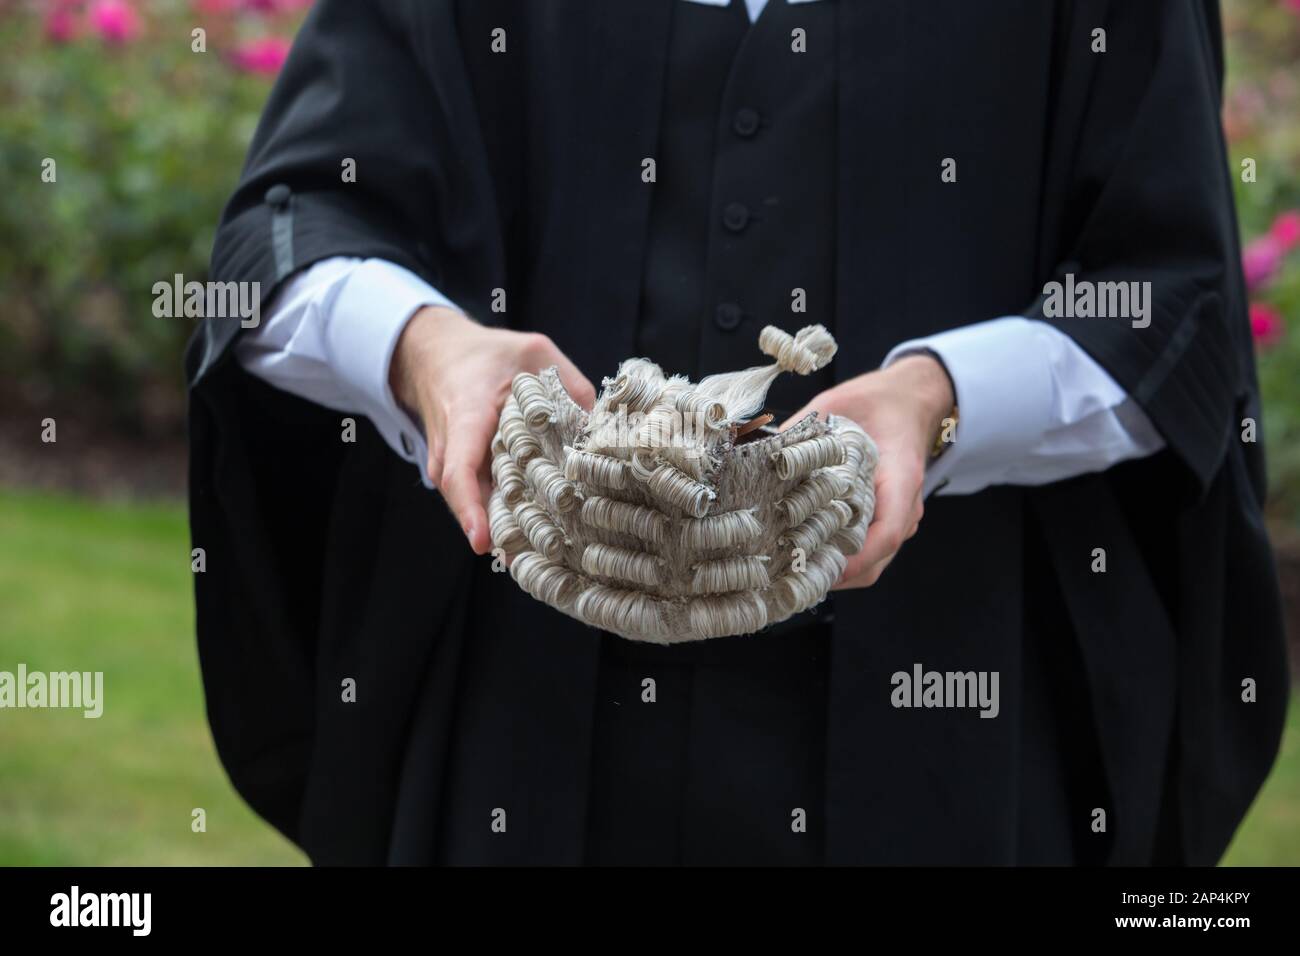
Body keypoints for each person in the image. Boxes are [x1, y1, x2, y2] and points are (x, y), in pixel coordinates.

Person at [188, 0, 1288, 865]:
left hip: (945, 730)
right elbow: (282, 239)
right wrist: (427, 351)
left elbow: (1168, 304)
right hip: (520, 736)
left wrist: (941, 399)